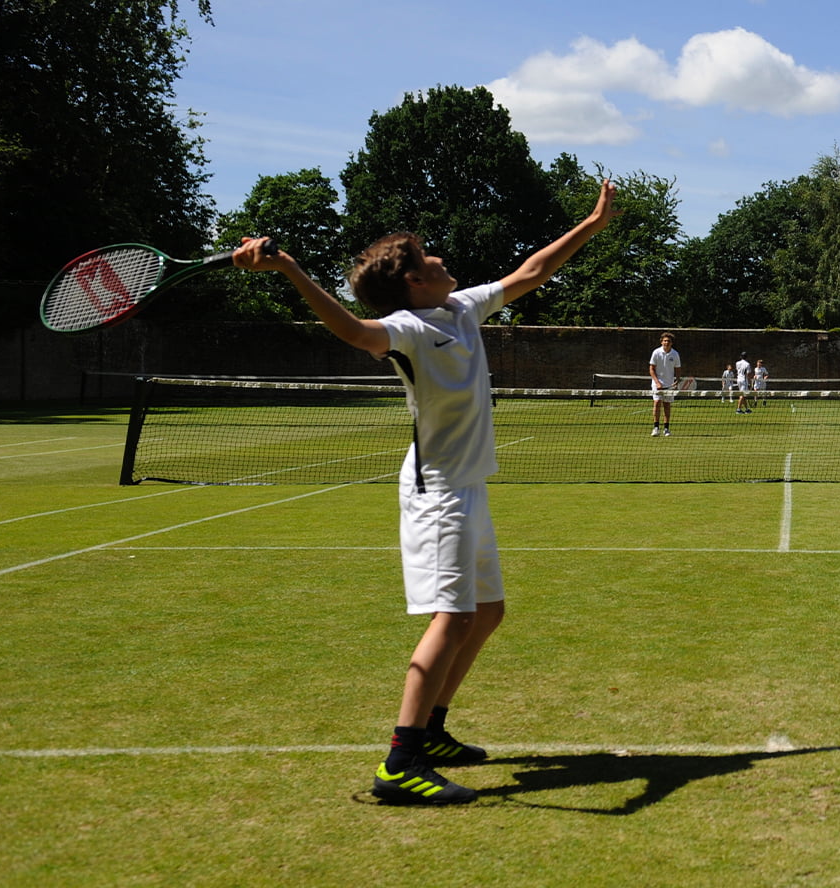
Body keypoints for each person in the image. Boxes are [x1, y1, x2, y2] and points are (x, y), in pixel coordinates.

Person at [233, 179, 618, 806]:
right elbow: (354, 331)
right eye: (426, 255)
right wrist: (291, 270)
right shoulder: (405, 328)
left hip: (470, 487)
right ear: (414, 280)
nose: (439, 257)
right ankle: (400, 762)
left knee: (487, 613)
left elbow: (532, 271)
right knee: (455, 617)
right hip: (437, 494)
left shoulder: (462, 307)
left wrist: (593, 224)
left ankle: (433, 731)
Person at [649, 332, 682, 436]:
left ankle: (666, 429)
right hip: (657, 384)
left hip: (669, 384)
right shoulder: (656, 352)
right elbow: (651, 369)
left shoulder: (675, 354)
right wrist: (657, 383)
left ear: (671, 343)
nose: (666, 342)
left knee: (667, 405)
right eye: (665, 341)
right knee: (657, 403)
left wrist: (677, 380)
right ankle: (656, 428)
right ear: (661, 342)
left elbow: (678, 369)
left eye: (668, 341)